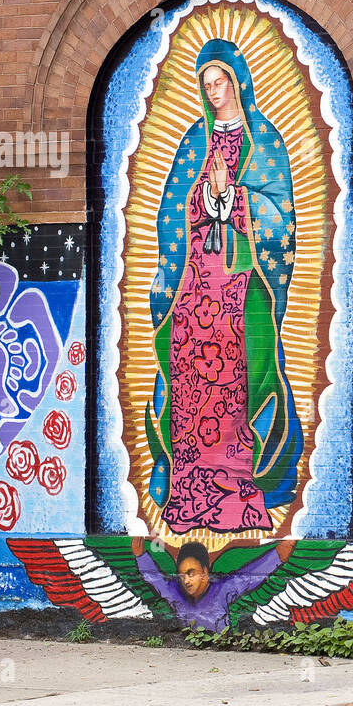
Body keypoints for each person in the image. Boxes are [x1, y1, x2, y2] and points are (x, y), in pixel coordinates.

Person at [147, 38, 303, 534]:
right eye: (207, 86)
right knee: (191, 376)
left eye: (222, 83)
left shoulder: (266, 140)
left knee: (242, 376)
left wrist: (231, 197)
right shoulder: (196, 139)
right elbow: (170, 209)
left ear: (238, 83)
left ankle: (241, 484)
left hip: (242, 283)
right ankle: (188, 484)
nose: (214, 94)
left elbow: (280, 221)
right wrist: (204, 197)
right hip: (196, 284)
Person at [130, 535, 295, 631]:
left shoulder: (223, 589)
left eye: (191, 573)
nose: (186, 580)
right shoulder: (174, 591)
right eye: (182, 575)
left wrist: (278, 556)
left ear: (205, 573)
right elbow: (155, 579)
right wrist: (140, 555)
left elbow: (250, 576)